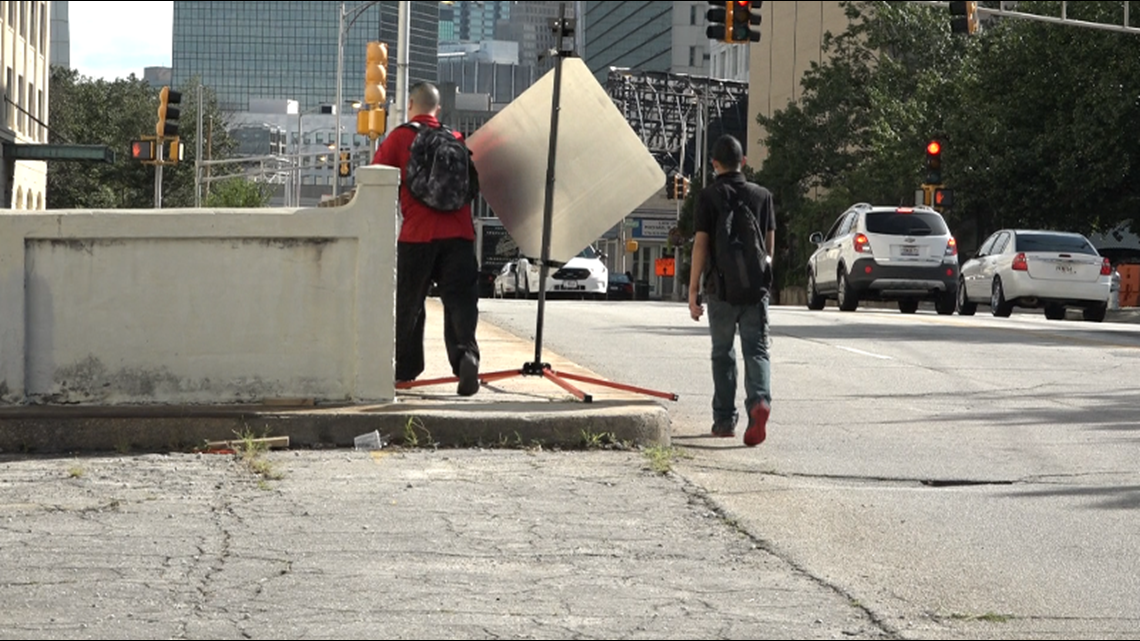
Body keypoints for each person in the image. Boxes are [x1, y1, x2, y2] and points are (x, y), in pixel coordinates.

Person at [373, 82, 481, 396]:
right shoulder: (456, 139)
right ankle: (466, 357)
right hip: (459, 235)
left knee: (409, 305)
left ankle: (405, 370)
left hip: (417, 236)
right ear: (438, 110)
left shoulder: (400, 138)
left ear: (410, 105)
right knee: (460, 303)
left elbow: (375, 181)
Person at [687, 135, 776, 446]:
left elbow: (701, 243)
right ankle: (759, 403)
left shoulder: (709, 197)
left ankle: (724, 421)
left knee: (723, 353)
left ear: (714, 164)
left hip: (720, 291)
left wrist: (693, 290)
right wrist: (763, 280)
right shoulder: (763, 196)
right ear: (744, 162)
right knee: (757, 350)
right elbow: (767, 247)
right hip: (755, 291)